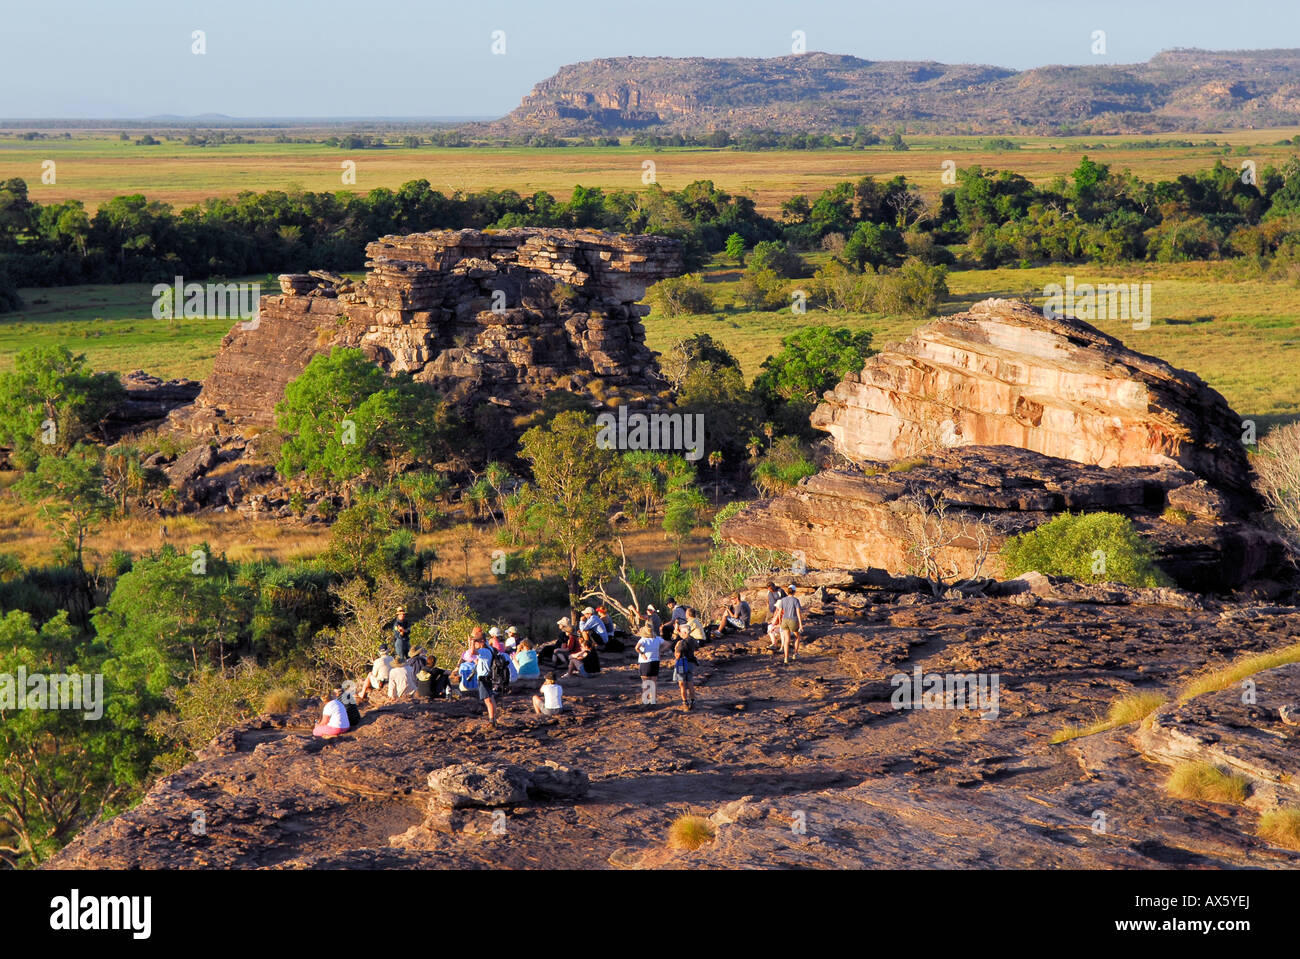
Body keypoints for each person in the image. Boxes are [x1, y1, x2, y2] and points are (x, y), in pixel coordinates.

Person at [473, 633, 499, 725]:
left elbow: (472, 652)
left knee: (487, 700)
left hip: (483, 677)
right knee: (491, 697)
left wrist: (471, 643)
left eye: (476, 641)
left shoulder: (483, 651)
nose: (475, 643)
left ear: (482, 642)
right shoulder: (489, 648)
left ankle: (492, 720)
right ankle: (495, 717)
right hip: (488, 676)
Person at [635, 624, 667, 700]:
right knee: (653, 682)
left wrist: (642, 653)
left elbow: (637, 647)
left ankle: (645, 700)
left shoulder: (643, 639)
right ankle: (653, 700)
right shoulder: (657, 638)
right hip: (655, 662)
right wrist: (660, 651)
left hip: (645, 662)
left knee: (646, 682)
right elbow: (667, 644)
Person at [777, 584, 804, 664]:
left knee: (786, 639)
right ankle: (795, 653)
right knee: (797, 636)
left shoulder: (783, 600)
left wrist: (780, 621)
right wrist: (801, 624)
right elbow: (798, 612)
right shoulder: (795, 600)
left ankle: (786, 658)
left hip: (784, 620)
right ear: (794, 591)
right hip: (793, 620)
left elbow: (780, 612)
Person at [672, 637, 697, 711]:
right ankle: (693, 701)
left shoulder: (681, 642)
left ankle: (685, 702)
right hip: (690, 664)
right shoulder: (692, 640)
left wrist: (676, 648)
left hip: (682, 665)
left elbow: (677, 655)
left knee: (682, 684)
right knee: (690, 683)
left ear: (684, 632)